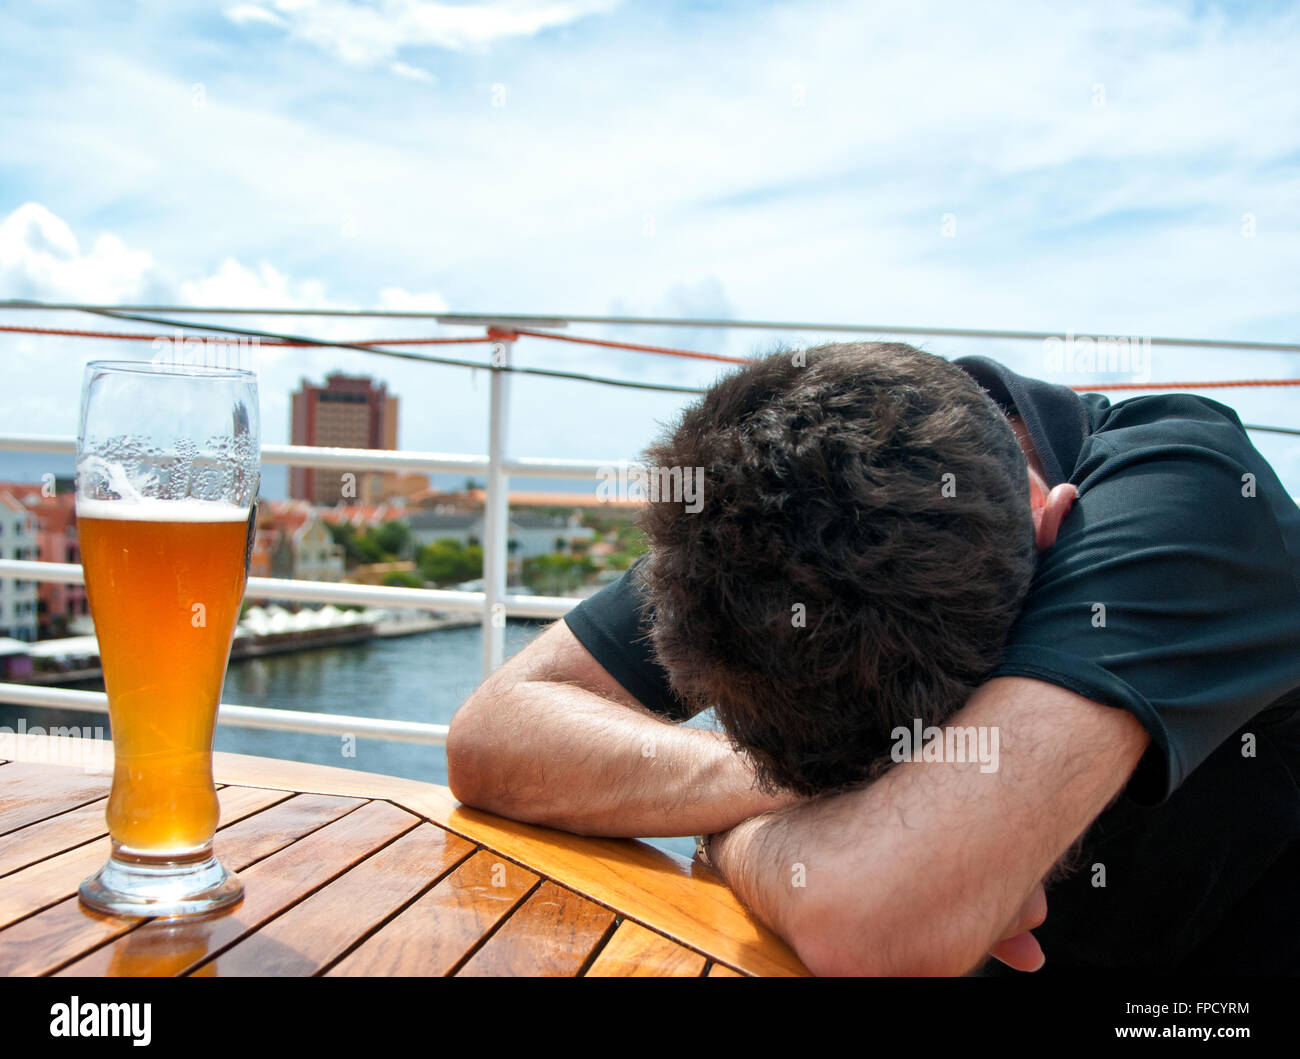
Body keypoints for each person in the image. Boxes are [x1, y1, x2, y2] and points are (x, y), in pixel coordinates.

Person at [447, 342, 1300, 976]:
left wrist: (730, 827)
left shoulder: (1190, 498)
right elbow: (494, 733)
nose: (881, 789)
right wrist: (805, 799)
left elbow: (875, 915)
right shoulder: (788, 499)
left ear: (1053, 530)